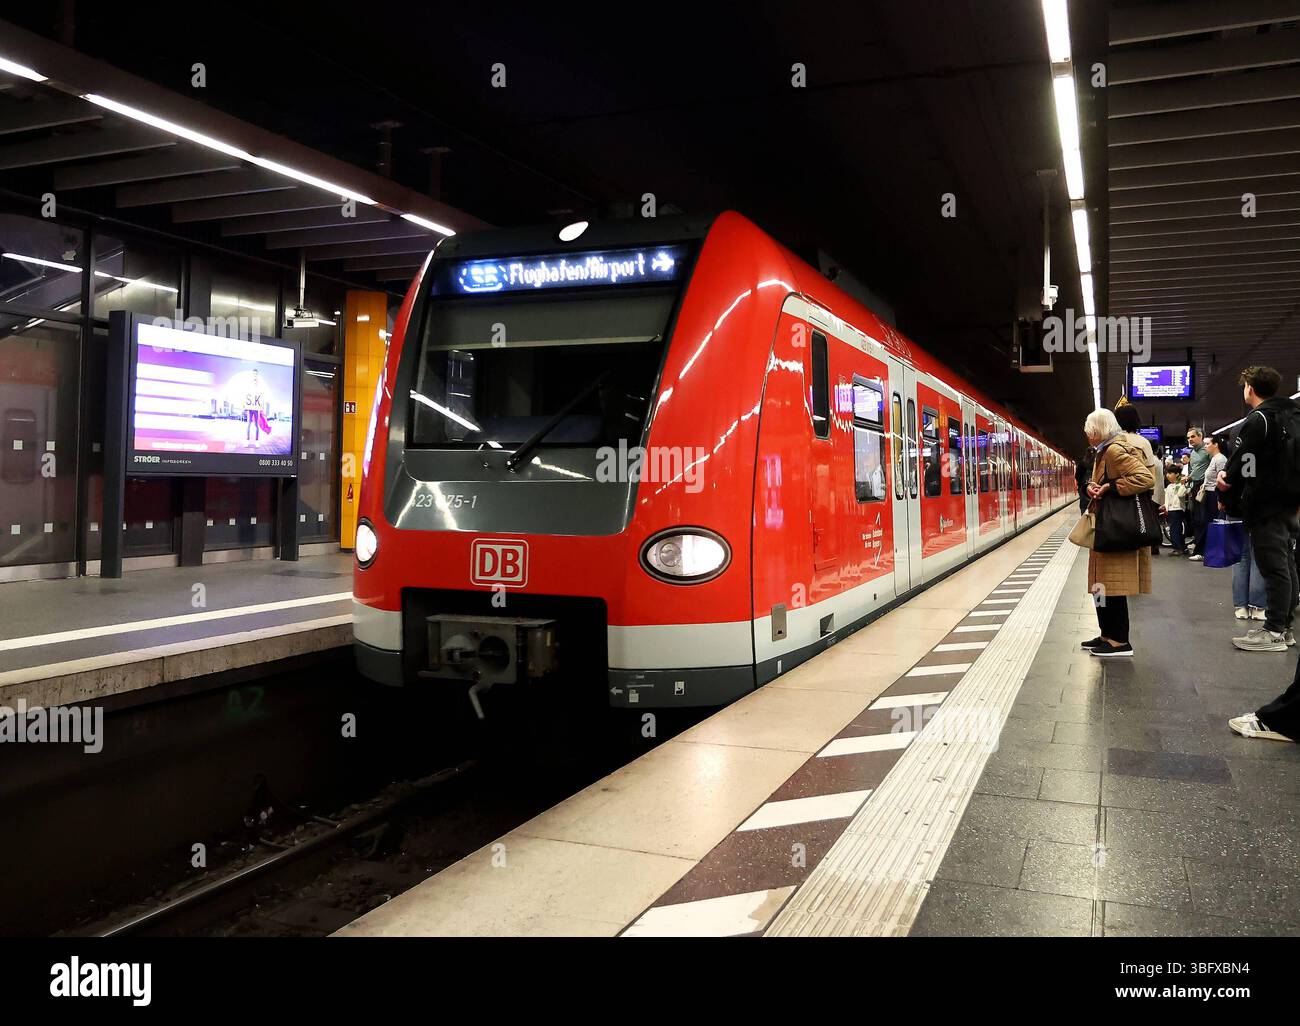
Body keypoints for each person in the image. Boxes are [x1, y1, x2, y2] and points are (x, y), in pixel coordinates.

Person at [1218, 365, 1300, 652]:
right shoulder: (1290, 415)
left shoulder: (1259, 420)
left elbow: (1246, 461)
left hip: (1266, 505)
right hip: (1290, 503)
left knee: (1273, 567)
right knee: (1286, 565)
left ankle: (1274, 631)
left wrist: (1227, 483)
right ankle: (1284, 628)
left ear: (1250, 389)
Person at [1081, 408, 1155, 658]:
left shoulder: (1114, 450)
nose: (1086, 434)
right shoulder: (1103, 451)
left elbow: (1145, 478)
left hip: (1116, 527)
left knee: (1112, 586)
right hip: (1105, 526)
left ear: (1098, 429)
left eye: (1088, 429)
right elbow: (1102, 482)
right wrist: (1092, 487)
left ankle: (1119, 641)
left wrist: (1112, 488)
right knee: (1100, 584)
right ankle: (1106, 633)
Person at [1115, 403, 1164, 555]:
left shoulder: (1112, 442)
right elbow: (1150, 477)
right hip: (1140, 498)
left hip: (1115, 497)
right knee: (1140, 545)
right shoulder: (1143, 443)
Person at [1186, 427, 1210, 557]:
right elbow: (1192, 471)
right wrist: (1190, 486)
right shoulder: (1193, 453)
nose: (1190, 439)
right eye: (1188, 437)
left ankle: (1201, 550)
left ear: (1200, 436)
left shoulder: (1207, 451)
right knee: (1195, 518)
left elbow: (1212, 469)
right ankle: (1198, 544)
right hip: (1194, 486)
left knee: (1202, 518)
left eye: (1193, 436)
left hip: (1204, 487)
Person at [1162, 467, 1188, 555]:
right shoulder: (1169, 486)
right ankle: (1182, 547)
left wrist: (1182, 484)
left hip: (1177, 509)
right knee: (1176, 529)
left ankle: (1178, 548)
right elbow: (1167, 499)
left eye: (1170, 473)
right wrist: (1165, 506)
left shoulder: (1179, 484)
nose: (1168, 475)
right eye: (1167, 473)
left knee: (1175, 530)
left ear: (1177, 474)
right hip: (1171, 510)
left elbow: (1180, 495)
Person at [1075, 448, 1093, 514]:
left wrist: (1080, 485)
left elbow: (1077, 476)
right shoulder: (1097, 463)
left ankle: (1085, 522)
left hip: (1083, 490)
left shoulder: (1082, 463)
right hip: (1096, 490)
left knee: (1084, 508)